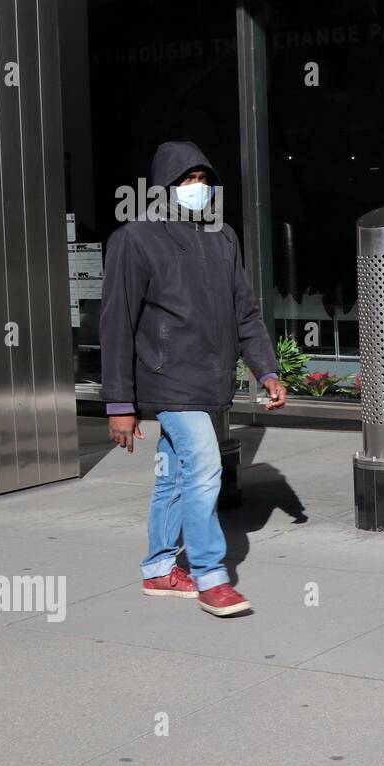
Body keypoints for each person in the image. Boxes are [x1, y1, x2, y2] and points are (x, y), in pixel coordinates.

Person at [99, 141, 286, 618]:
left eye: (203, 180)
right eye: (186, 180)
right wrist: (119, 404)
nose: (196, 188)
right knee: (205, 468)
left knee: (175, 476)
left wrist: (265, 369)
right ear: (164, 186)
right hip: (169, 380)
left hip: (211, 380)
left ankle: (160, 568)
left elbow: (245, 312)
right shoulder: (135, 239)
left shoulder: (223, 238)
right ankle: (211, 576)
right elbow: (117, 323)